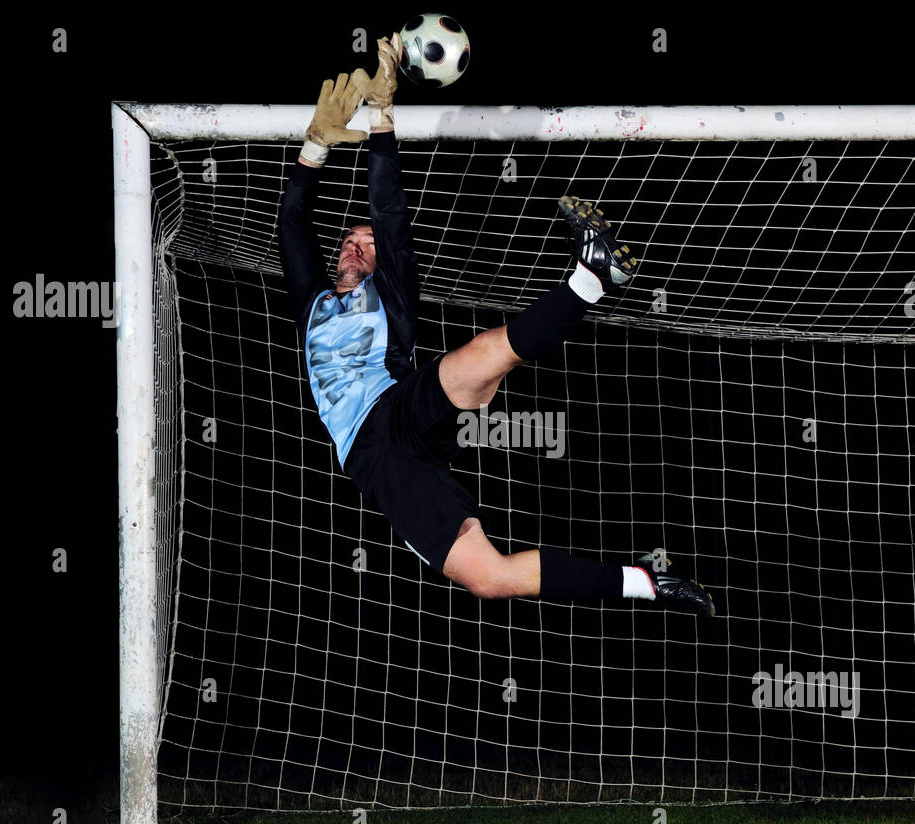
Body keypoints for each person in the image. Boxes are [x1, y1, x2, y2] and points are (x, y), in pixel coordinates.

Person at [278, 36, 714, 615]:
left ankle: (592, 276)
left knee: (488, 353)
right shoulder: (312, 302)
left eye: (369, 243)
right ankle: (650, 585)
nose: (358, 247)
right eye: (349, 241)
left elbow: (389, 213)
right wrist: (315, 144)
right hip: (377, 460)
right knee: (489, 577)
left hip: (401, 403)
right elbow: (292, 222)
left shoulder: (390, 292)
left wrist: (382, 122)